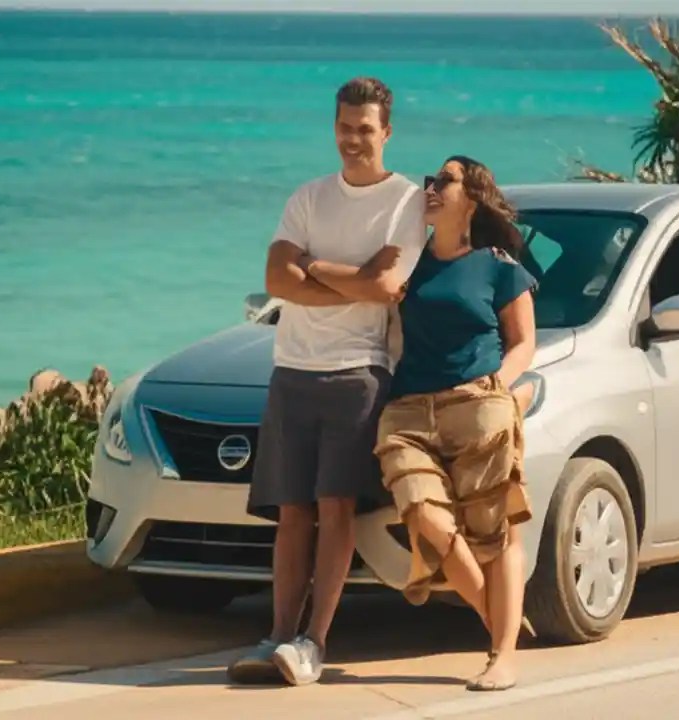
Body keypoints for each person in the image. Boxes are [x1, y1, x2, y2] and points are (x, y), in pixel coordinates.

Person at [227, 76, 428, 687]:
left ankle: (314, 643)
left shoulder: (407, 201)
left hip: (358, 371)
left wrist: (311, 265)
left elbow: (386, 288)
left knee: (335, 508)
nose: (352, 140)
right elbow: (276, 279)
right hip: (292, 370)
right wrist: (341, 276)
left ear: (386, 131)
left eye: (365, 130)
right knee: (292, 512)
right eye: (344, 128)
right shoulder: (308, 197)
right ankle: (277, 636)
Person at [373, 155, 538, 692]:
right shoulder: (411, 263)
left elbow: (522, 343)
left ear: (470, 197)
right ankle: (498, 622)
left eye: (443, 180)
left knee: (497, 530)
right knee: (426, 515)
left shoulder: (497, 264)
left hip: (477, 402)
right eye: (430, 181)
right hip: (408, 410)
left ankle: (502, 654)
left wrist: (501, 391)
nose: (431, 188)